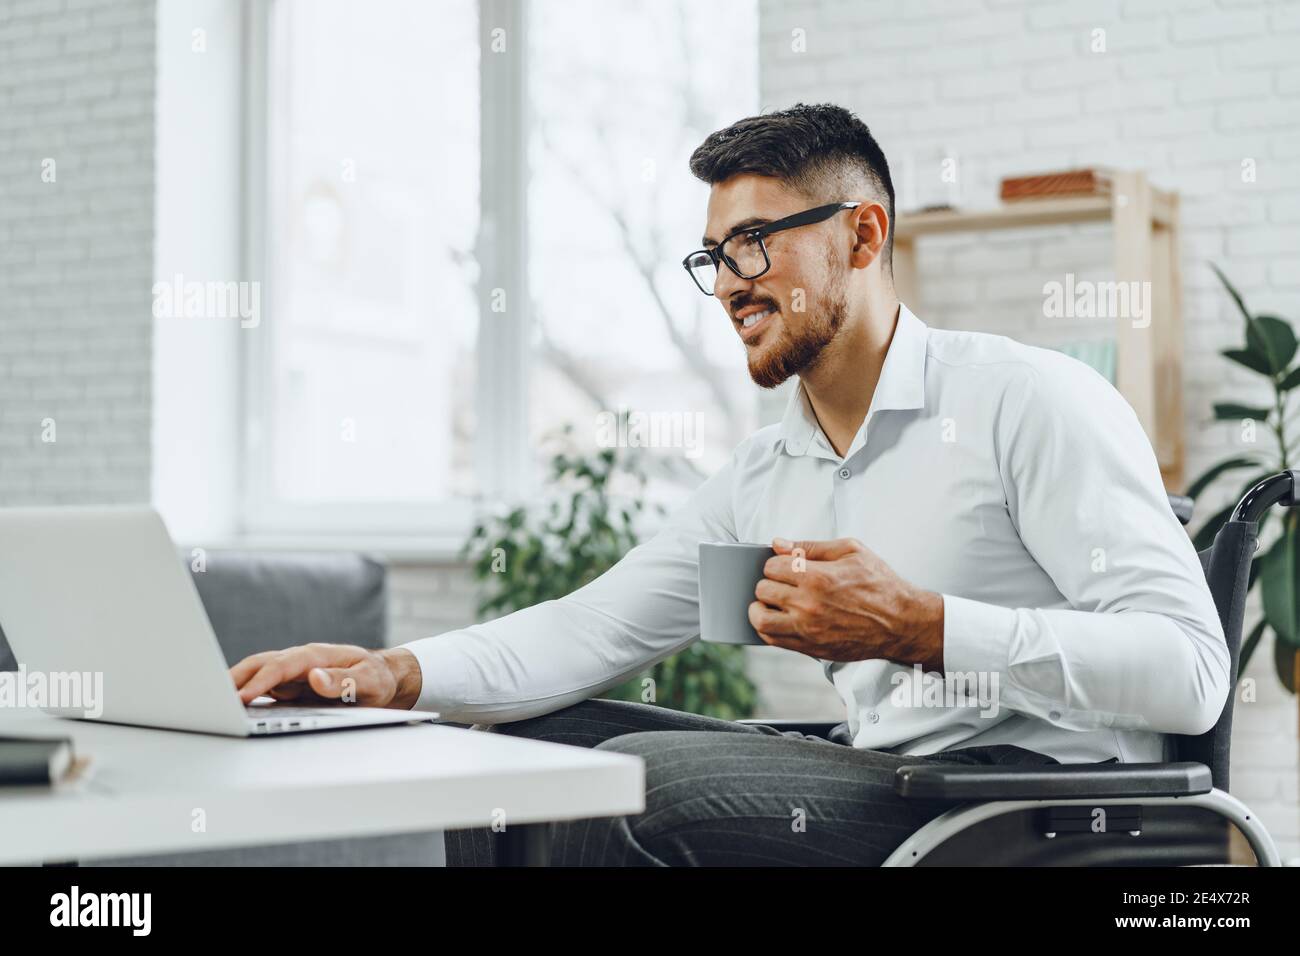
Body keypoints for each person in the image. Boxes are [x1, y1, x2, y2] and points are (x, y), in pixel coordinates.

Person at [229, 104, 1229, 866]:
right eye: (713, 254)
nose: (727, 283)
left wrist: (921, 624)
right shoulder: (768, 468)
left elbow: (1191, 672)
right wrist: (390, 674)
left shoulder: (1028, 401)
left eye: (754, 242)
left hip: (1029, 804)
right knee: (505, 753)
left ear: (863, 235)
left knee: (634, 785)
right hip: (886, 772)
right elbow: (591, 628)